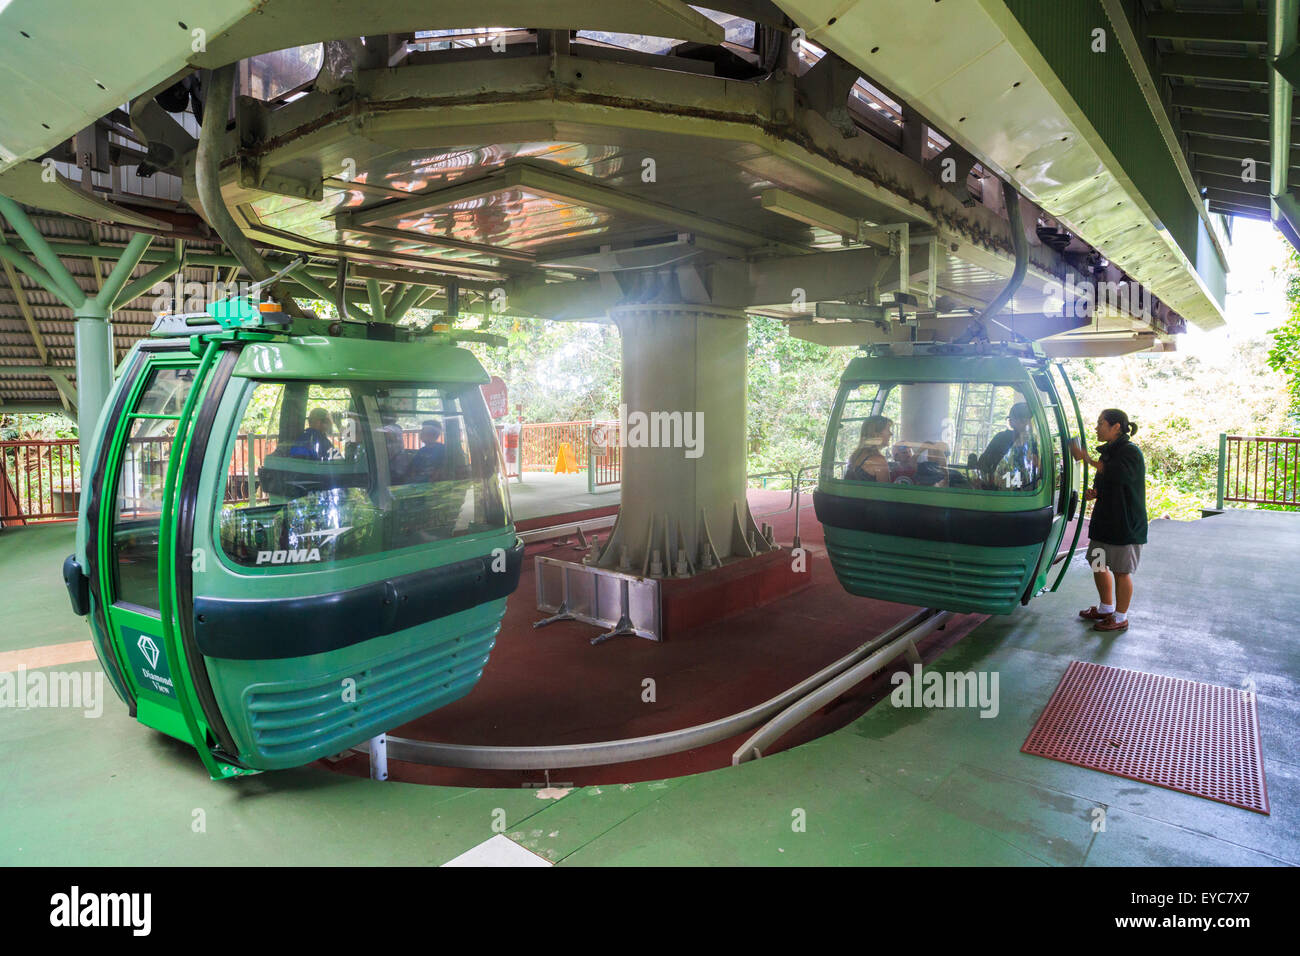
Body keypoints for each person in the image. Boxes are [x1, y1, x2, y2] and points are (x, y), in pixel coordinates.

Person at [1071, 408, 1147, 633]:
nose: (1096, 428)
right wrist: (1095, 492)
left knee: (1121, 571)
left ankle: (1120, 616)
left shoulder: (1130, 451)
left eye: (1100, 423)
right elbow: (1105, 479)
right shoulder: (1108, 452)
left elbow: (1117, 474)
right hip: (1105, 519)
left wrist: (1086, 458)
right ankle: (1106, 607)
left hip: (1125, 523)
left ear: (1116, 426)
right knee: (1098, 563)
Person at [978, 401, 1040, 490]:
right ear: (1011, 422)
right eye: (1023, 421)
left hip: (1027, 493)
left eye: (1030, 421)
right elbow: (983, 464)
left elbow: (1040, 470)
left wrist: (1037, 463)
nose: (1028, 425)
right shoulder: (1000, 439)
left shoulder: (1034, 442)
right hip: (1002, 493)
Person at [845, 416, 892, 482]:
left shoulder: (855, 456)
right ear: (876, 434)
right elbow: (886, 491)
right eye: (888, 430)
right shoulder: (878, 461)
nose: (891, 434)